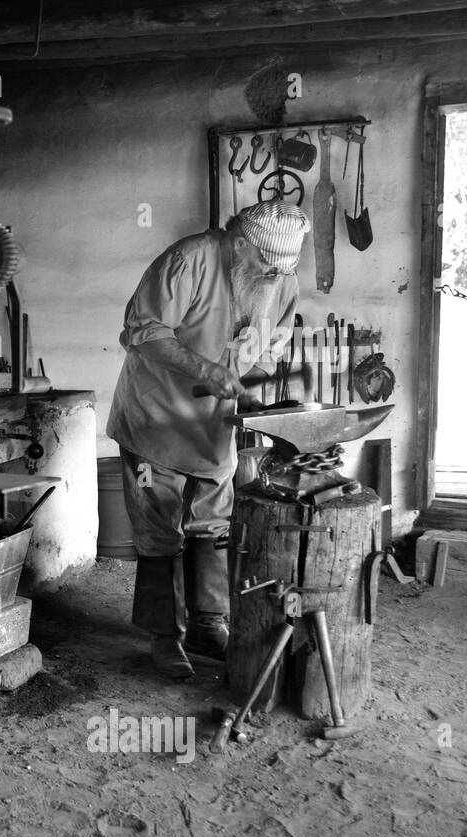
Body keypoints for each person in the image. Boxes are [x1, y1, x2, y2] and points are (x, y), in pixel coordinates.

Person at [107, 200, 310, 678]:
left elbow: (272, 340)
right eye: (267, 263)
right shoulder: (188, 261)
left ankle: (208, 623)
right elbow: (141, 332)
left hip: (213, 426)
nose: (275, 275)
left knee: (212, 525)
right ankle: (163, 637)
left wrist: (253, 385)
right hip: (154, 418)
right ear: (240, 242)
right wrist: (205, 369)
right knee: (160, 533)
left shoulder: (279, 276)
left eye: (284, 268)